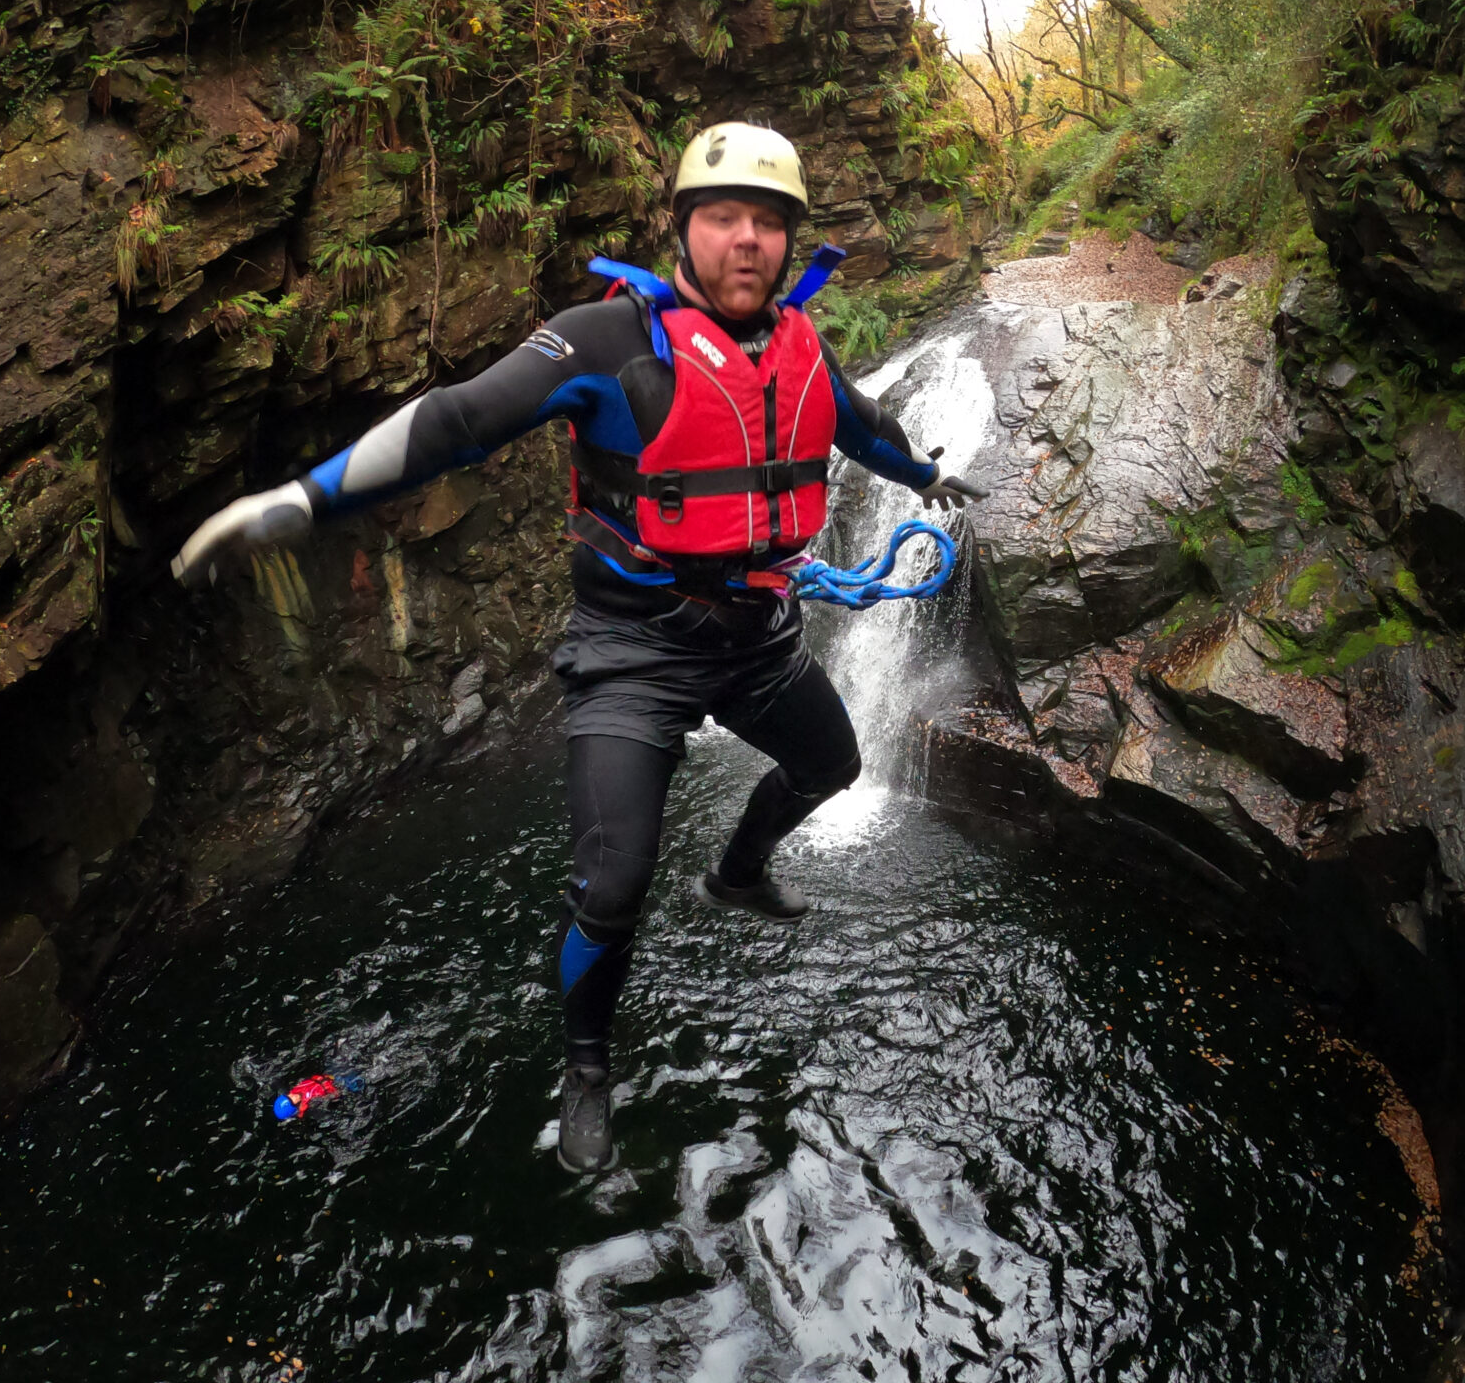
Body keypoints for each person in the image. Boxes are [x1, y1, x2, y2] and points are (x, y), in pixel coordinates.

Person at [172, 122, 986, 1174]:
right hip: (633, 650)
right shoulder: (605, 342)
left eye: (768, 223)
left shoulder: (799, 346)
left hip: (757, 639)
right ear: (681, 230)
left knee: (833, 763)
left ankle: (738, 875)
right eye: (722, 217)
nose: (747, 241)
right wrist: (306, 496)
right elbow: (460, 418)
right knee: (612, 886)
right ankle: (587, 1065)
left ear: (791, 242)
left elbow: (859, 423)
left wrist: (923, 479)